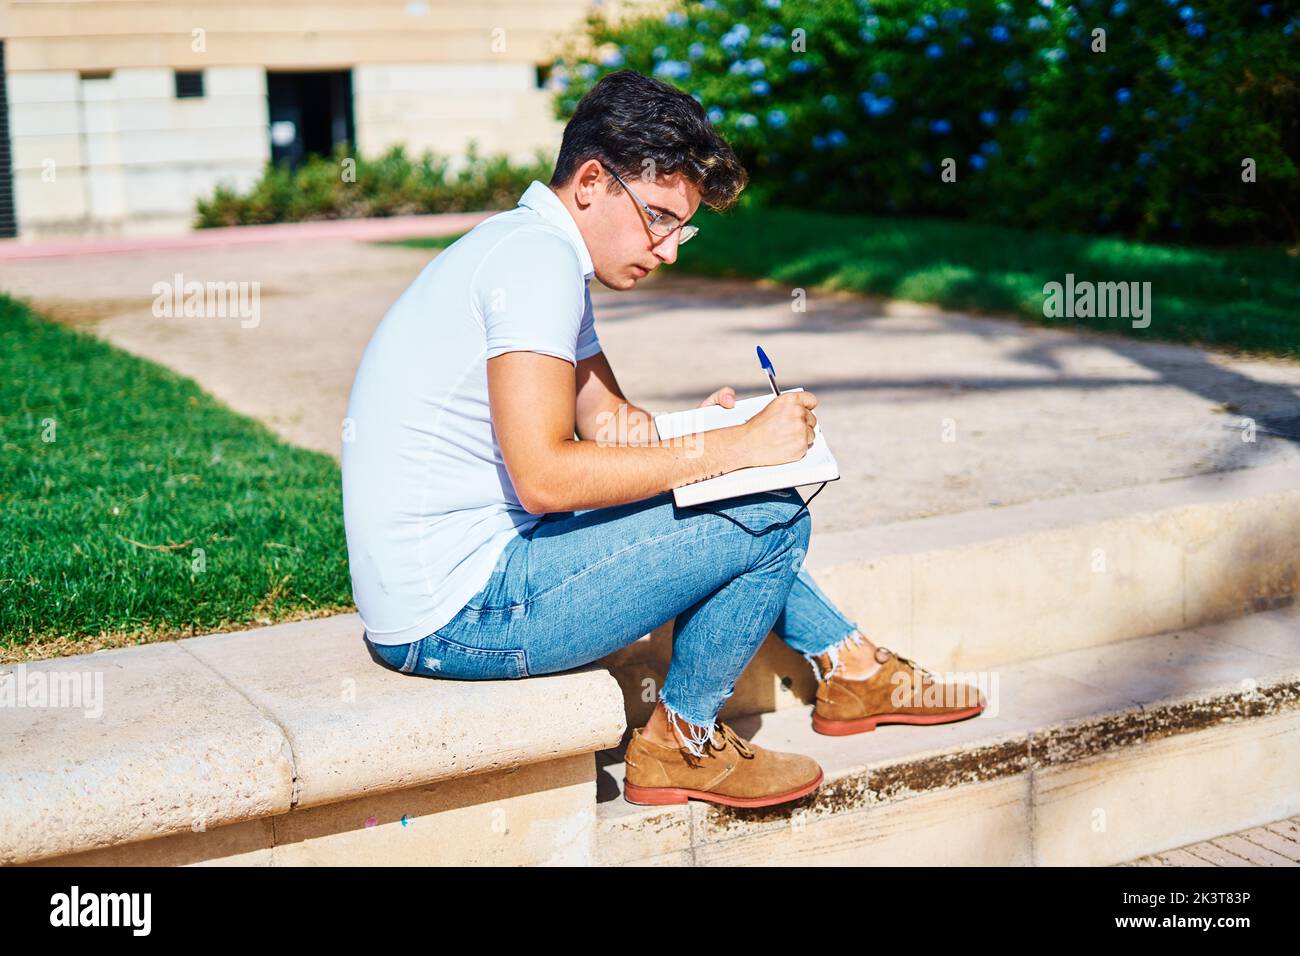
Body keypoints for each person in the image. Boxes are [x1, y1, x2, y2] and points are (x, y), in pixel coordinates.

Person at [341, 69, 984, 809]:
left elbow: (614, 430)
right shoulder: (536, 265)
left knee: (739, 486)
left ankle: (851, 668)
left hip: (459, 586)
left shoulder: (533, 250)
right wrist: (731, 451)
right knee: (773, 513)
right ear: (591, 181)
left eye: (683, 227)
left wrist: (702, 435)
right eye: (657, 218)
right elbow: (546, 479)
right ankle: (684, 741)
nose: (671, 249)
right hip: (462, 616)